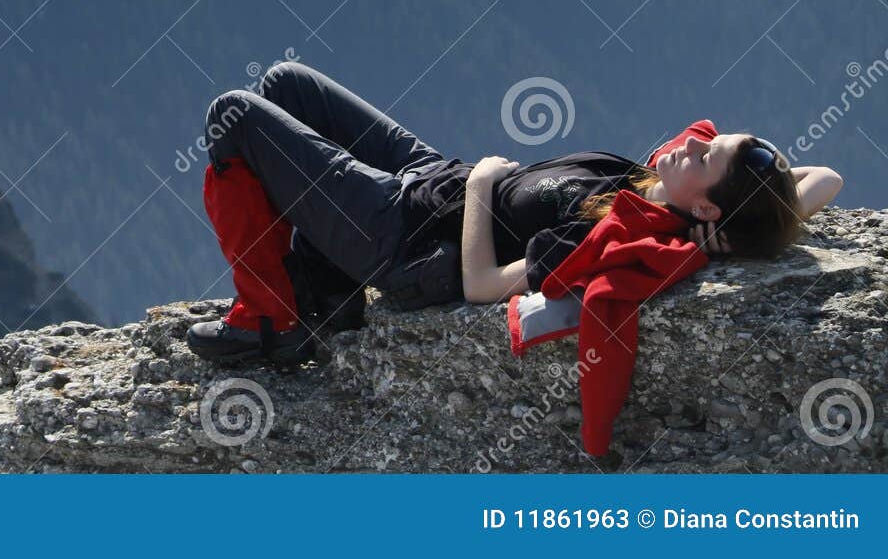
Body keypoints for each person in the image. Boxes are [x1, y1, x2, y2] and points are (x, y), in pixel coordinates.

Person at [186, 60, 844, 364]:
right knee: (282, 83)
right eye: (710, 138)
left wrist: (480, 188)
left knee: (234, 114)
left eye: (706, 156)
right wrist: (734, 217)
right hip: (433, 174)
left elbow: (482, 284)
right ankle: (327, 293)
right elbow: (821, 180)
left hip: (403, 233)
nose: (692, 142)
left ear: (704, 200)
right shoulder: (655, 183)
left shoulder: (610, 232)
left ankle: (275, 318)